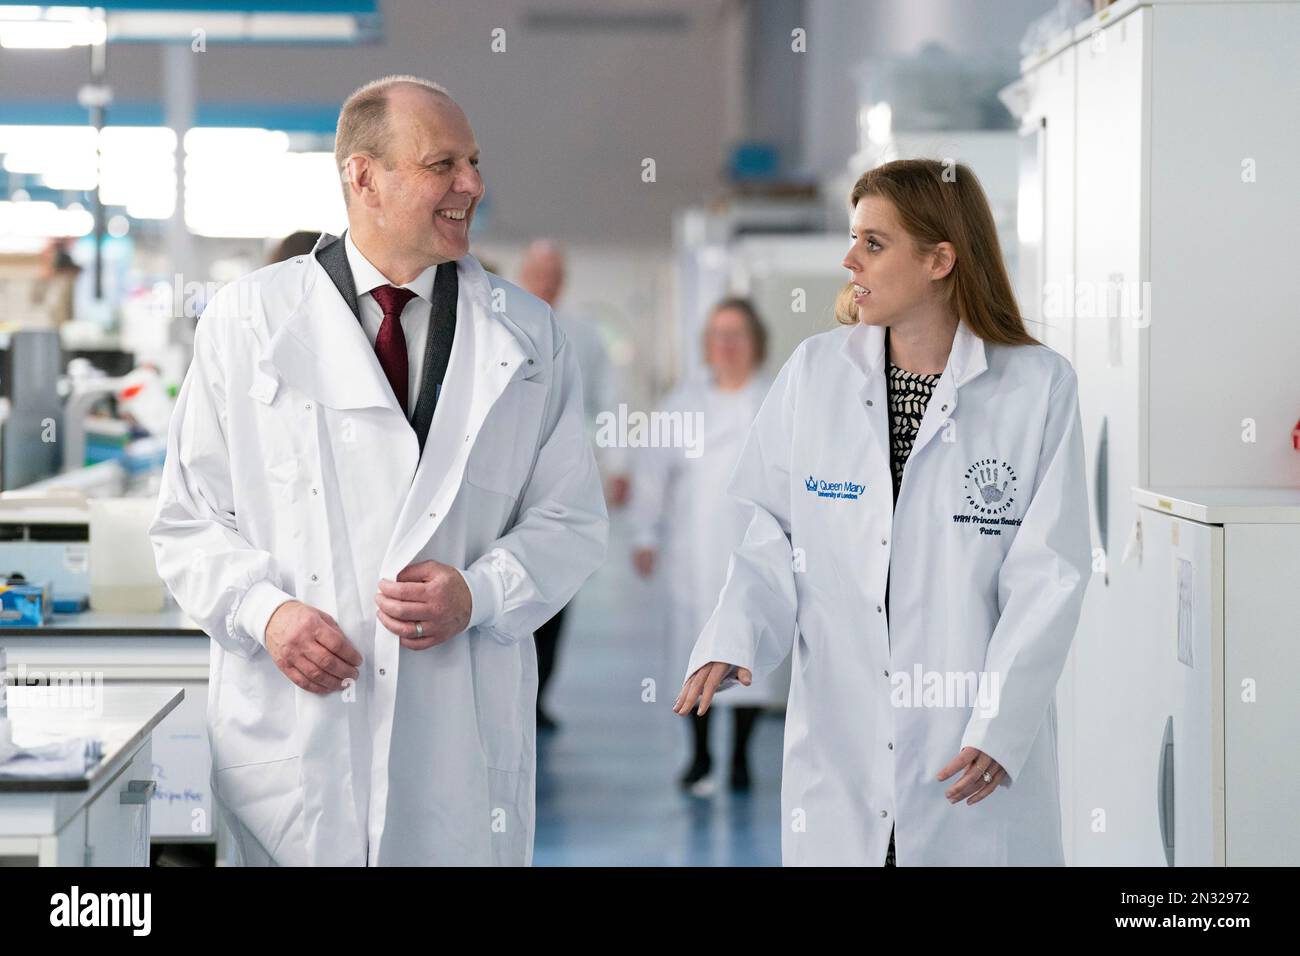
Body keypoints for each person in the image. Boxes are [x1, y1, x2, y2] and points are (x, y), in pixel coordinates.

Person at [150, 75, 608, 866]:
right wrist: (269, 615)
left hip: (457, 742)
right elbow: (187, 524)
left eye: (473, 161)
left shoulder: (529, 337)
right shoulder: (247, 322)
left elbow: (571, 519)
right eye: (444, 164)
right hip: (296, 745)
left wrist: (481, 590)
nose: (473, 184)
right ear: (363, 177)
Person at [674, 158, 1091, 866]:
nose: (848, 259)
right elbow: (771, 533)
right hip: (842, 749)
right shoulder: (816, 374)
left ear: (940, 259)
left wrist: (1002, 722)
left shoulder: (1036, 387)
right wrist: (735, 631)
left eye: (873, 241)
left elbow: (1048, 574)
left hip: (969, 753)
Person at [630, 298, 788, 793]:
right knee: (694, 651)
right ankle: (698, 756)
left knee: (751, 651)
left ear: (755, 341)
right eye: (718, 334)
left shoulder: (776, 399)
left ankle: (739, 759)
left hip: (758, 547)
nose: (727, 345)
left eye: (737, 334)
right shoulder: (684, 402)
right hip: (693, 555)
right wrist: (644, 533)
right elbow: (652, 474)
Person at [517, 238, 626, 731]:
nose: (547, 282)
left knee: (555, 586)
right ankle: (510, 695)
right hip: (510, 477)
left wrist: (616, 464)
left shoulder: (584, 334)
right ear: (526, 275)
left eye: (554, 274)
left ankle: (538, 694)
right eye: (539, 272)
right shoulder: (502, 321)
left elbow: (610, 402)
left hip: (565, 477)